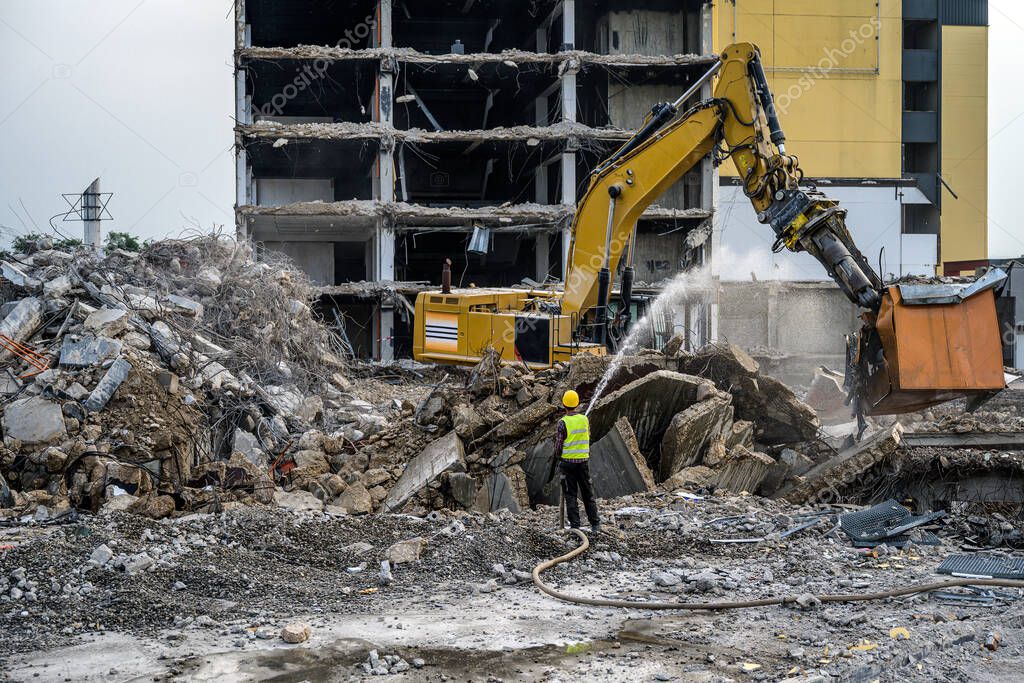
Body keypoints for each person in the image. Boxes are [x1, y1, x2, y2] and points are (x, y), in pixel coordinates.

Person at [552, 389, 600, 533]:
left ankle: (575, 526)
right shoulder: (584, 419)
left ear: (564, 404)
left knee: (570, 495)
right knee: (588, 493)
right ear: (577, 403)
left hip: (567, 464)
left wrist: (557, 457)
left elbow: (559, 446)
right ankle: (595, 524)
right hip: (583, 463)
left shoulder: (563, 423)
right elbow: (587, 436)